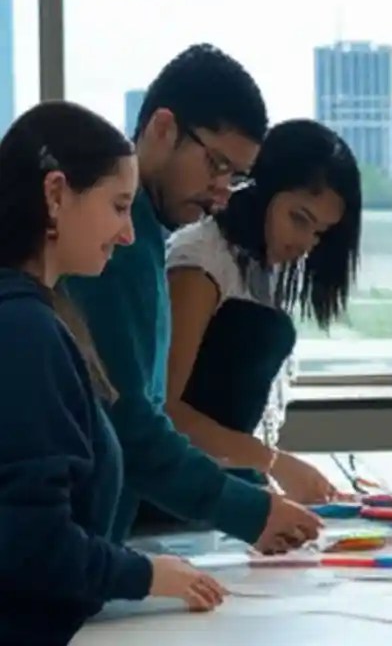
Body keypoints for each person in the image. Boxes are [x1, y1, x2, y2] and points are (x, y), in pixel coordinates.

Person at [62, 44, 322, 551]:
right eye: (216, 164)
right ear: (162, 129)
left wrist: (251, 489)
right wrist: (250, 507)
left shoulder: (144, 233)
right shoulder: (118, 244)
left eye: (236, 176)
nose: (223, 191)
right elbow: (132, 430)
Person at [0, 102, 230, 643]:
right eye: (118, 206)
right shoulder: (23, 331)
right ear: (56, 195)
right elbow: (32, 543)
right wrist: (144, 574)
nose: (127, 234)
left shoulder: (44, 314)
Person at [151, 119, 361, 515]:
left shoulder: (260, 266)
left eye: (319, 234)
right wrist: (272, 462)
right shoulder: (201, 260)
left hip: (219, 492)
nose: (304, 243)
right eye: (299, 218)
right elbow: (165, 410)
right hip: (175, 497)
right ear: (262, 191)